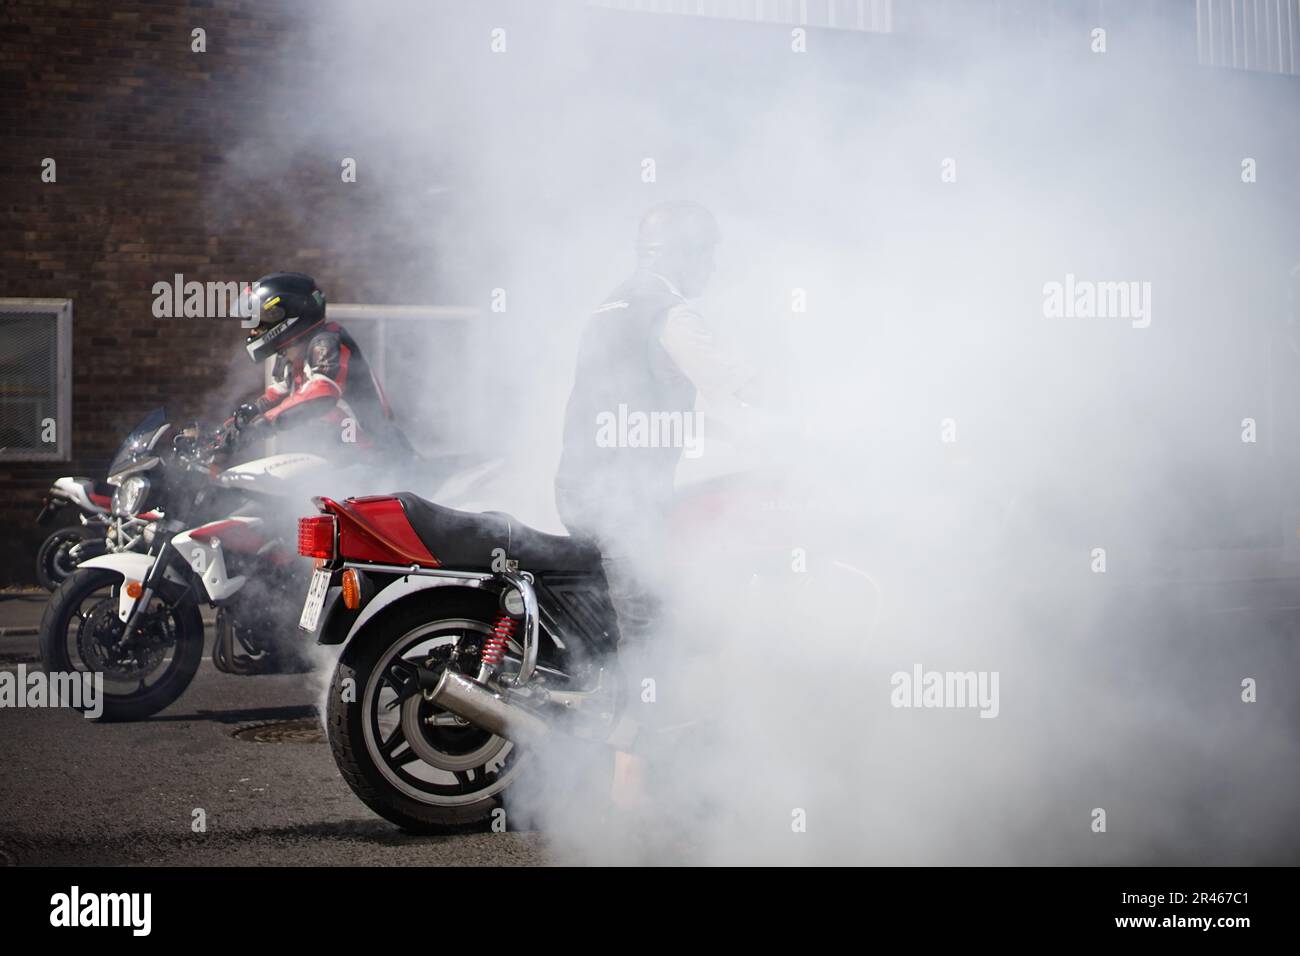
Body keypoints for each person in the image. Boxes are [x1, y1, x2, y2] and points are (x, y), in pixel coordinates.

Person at [554, 201, 758, 806]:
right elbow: (735, 382)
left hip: (584, 486)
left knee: (633, 621)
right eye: (709, 250)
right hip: (621, 501)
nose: (715, 264)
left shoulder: (613, 300)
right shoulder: (668, 310)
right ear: (681, 252)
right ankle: (631, 804)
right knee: (650, 639)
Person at [231, 271, 410, 457]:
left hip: (380, 460)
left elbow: (321, 395)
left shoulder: (328, 342)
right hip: (345, 461)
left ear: (290, 313)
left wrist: (264, 424)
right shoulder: (291, 357)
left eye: (264, 318)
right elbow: (269, 402)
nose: (254, 329)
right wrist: (225, 434)